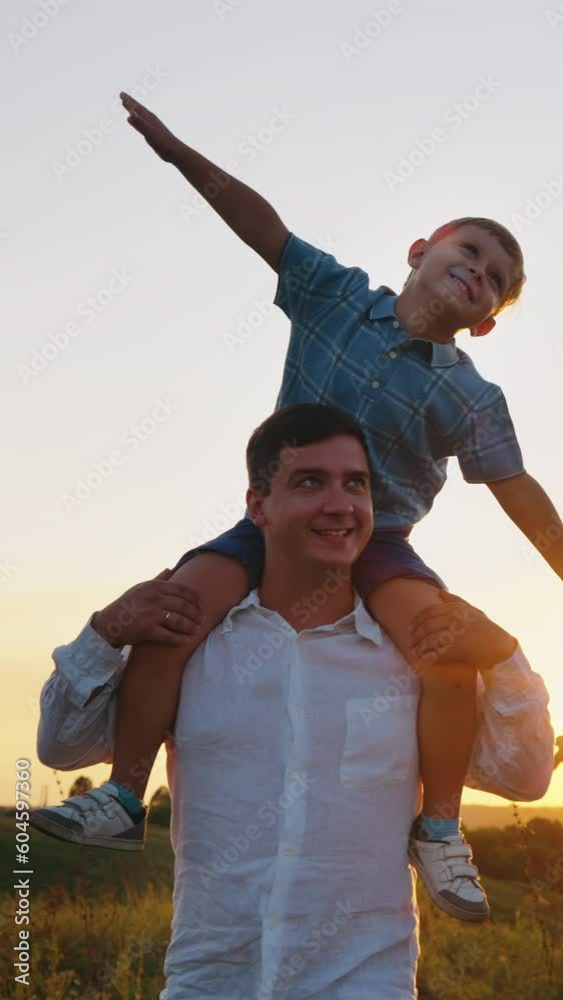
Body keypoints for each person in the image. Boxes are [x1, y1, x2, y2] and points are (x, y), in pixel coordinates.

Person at [31, 92, 563, 923]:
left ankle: (438, 829)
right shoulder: (333, 295)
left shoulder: (468, 393)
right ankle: (124, 799)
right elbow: (261, 224)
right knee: (176, 611)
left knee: (446, 650)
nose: (477, 270)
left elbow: (517, 491)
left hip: (379, 540)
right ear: (420, 249)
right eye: (469, 249)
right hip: (273, 521)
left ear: (488, 321)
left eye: (494, 280)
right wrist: (179, 154)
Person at [34, 404, 554, 999]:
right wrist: (105, 631)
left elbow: (526, 776)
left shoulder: (415, 661)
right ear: (258, 505)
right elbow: (61, 746)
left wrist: (505, 655)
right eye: (310, 482)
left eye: (355, 483)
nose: (341, 504)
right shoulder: (193, 647)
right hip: (209, 985)